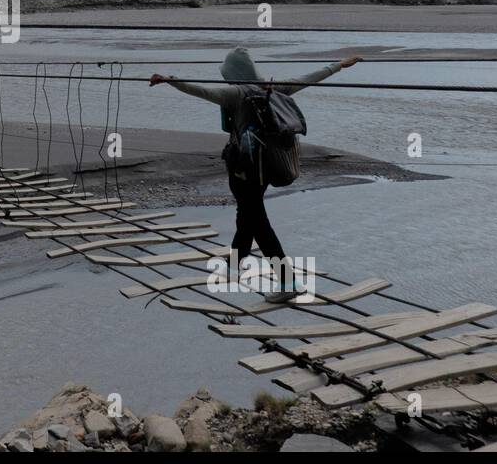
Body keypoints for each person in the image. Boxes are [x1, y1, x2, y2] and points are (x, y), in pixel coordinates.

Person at [149, 48, 362, 302]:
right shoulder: (272, 87)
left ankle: (287, 281)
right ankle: (235, 267)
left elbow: (204, 91)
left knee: (259, 224)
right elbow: (308, 78)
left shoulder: (236, 93)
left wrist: (170, 80)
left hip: (243, 169)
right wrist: (338, 65)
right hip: (266, 166)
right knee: (247, 214)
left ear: (232, 74)